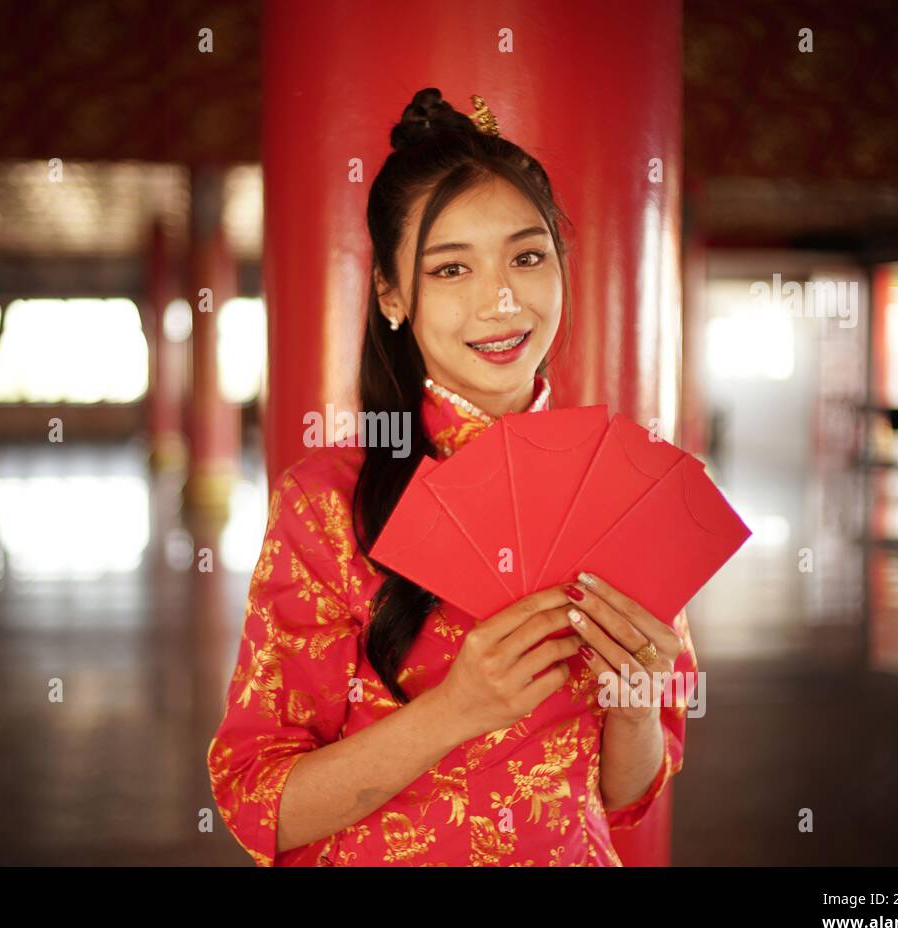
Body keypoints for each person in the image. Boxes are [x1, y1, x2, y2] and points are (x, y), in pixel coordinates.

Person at [206, 88, 697, 866]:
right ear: (392, 295)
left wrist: (635, 703)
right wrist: (455, 710)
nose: (500, 299)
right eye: (451, 269)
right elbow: (257, 801)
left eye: (527, 257)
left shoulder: (627, 486)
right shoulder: (327, 503)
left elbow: (626, 796)